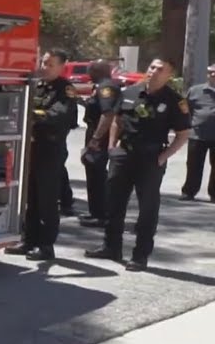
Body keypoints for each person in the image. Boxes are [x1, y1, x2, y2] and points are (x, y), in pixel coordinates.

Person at [85, 57, 191, 271]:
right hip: (123, 154)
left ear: (169, 75)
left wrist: (163, 157)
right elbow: (117, 119)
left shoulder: (174, 100)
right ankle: (111, 246)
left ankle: (140, 255)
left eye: (161, 69)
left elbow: (182, 134)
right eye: (152, 67)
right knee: (114, 202)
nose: (154, 71)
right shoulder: (130, 92)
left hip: (150, 158)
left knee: (147, 208)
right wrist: (112, 146)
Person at [6, 49, 78, 261]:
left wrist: (33, 115)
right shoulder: (37, 86)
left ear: (61, 66)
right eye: (43, 63)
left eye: (50, 64)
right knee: (30, 198)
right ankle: (29, 240)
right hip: (32, 148)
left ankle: (46, 246)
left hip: (51, 149)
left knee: (47, 199)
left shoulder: (66, 90)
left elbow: (60, 115)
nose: (44, 67)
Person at [77, 60, 122, 228]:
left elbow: (108, 114)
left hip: (100, 134)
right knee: (92, 171)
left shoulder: (106, 88)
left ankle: (101, 214)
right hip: (95, 131)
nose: (88, 74)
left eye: (90, 71)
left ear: (97, 71)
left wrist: (96, 139)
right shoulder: (101, 86)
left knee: (97, 173)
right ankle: (95, 211)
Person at [179, 63, 215, 201]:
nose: (212, 75)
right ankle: (189, 191)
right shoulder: (195, 91)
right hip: (197, 135)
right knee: (193, 165)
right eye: (210, 72)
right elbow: (185, 109)